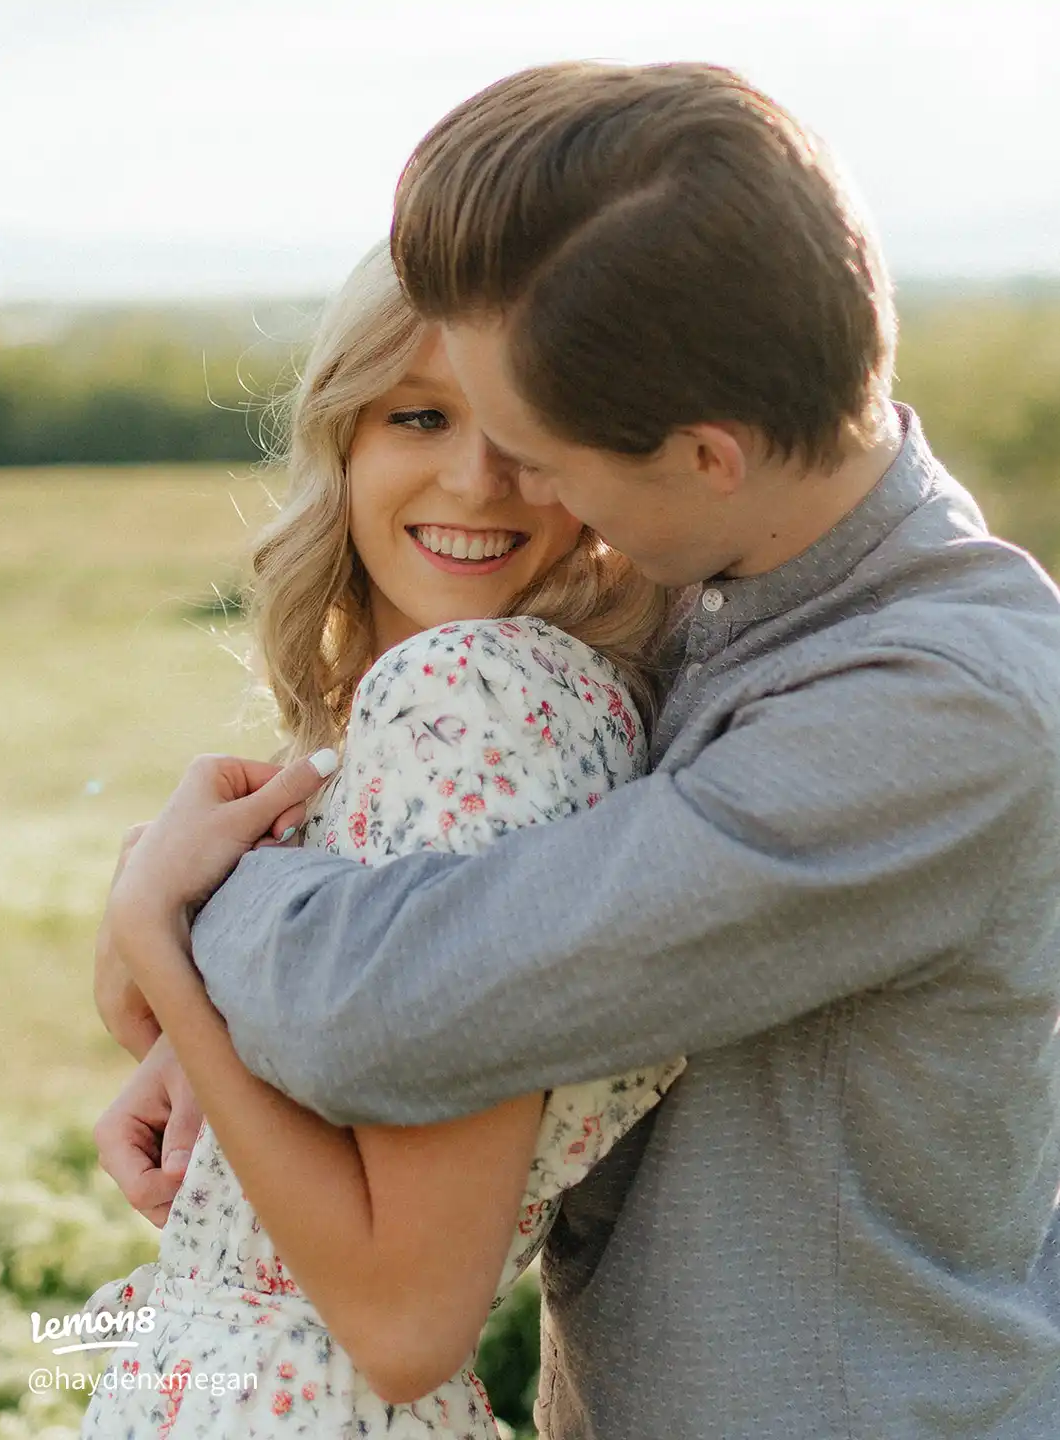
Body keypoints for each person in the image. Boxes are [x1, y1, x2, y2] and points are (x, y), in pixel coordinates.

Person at [95, 63, 1060, 1439]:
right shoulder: (736, 595)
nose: (517, 492)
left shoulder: (933, 711)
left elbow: (411, 999)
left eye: (540, 449)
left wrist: (171, 902)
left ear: (706, 455)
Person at [80, 238, 685, 1438]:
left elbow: (407, 1320)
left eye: (530, 431)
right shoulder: (453, 716)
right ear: (346, 433)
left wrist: (160, 928)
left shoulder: (483, 698)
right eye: (419, 416)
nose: (477, 479)